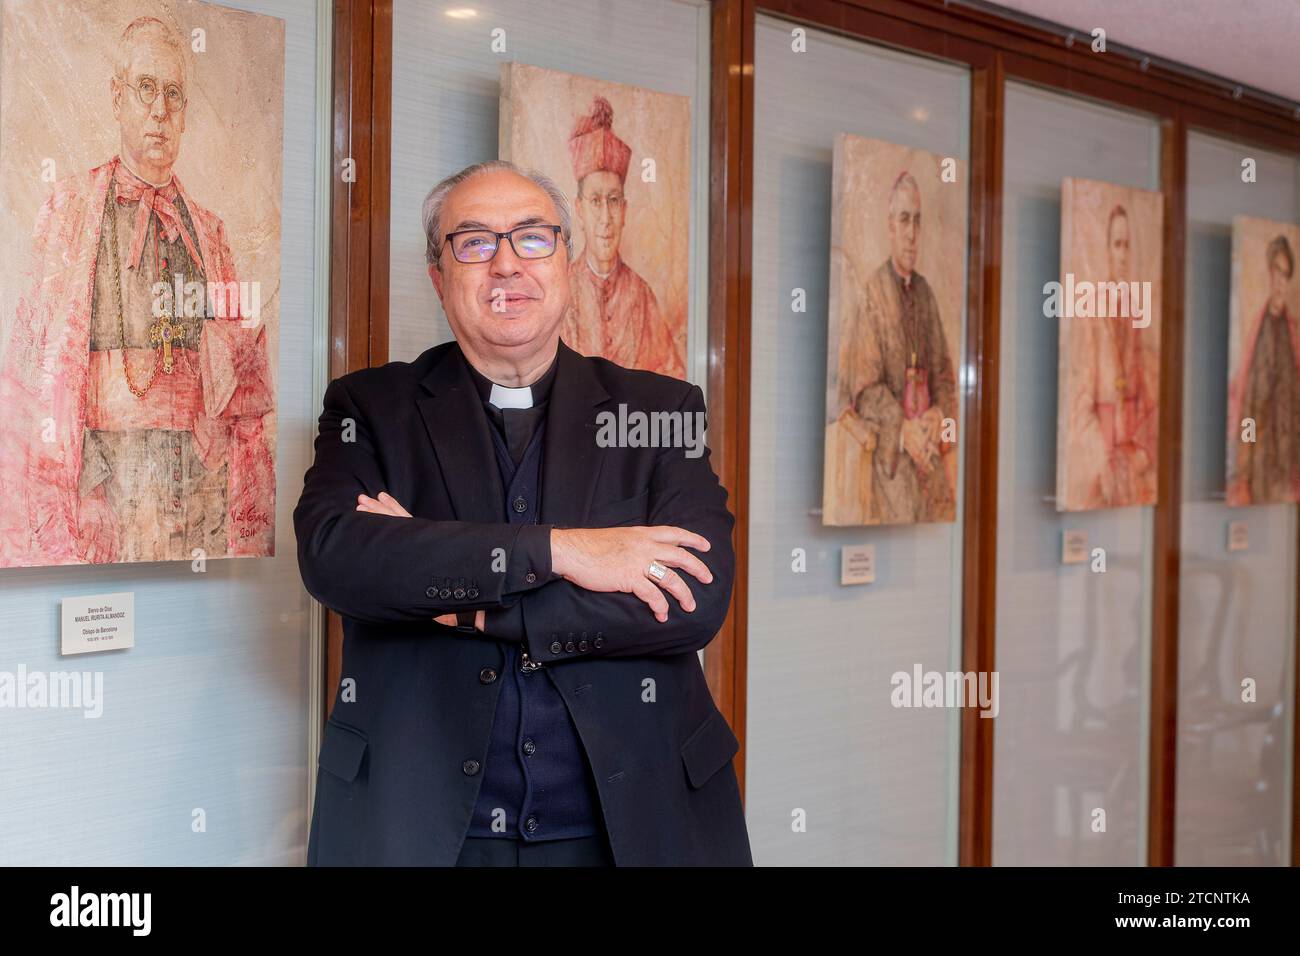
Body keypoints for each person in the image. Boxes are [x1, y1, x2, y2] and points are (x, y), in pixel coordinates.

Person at [294, 159, 751, 866]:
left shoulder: (657, 411)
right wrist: (566, 552)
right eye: (473, 242)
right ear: (438, 276)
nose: (506, 264)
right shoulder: (370, 410)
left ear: (565, 260)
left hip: (629, 827)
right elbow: (338, 559)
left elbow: (694, 601)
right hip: (426, 831)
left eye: (532, 238)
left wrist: (474, 601)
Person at [0, 15, 273, 566]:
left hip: (196, 491)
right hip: (101, 482)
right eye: (146, 88)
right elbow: (32, 372)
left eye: (174, 94)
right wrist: (86, 483)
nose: (160, 110)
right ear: (117, 97)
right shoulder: (69, 211)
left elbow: (245, 391)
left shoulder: (211, 233)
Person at [833, 171, 958, 524]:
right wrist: (904, 429)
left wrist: (936, 415)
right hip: (892, 456)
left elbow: (947, 376)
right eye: (904, 220)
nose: (911, 232)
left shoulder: (926, 294)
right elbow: (864, 388)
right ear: (890, 226)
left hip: (930, 450)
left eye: (917, 222)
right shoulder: (874, 292)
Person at [562, 95, 685, 379]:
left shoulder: (641, 295)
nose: (606, 218)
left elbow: (672, 380)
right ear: (579, 210)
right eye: (595, 201)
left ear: (625, 210)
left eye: (614, 200)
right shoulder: (560, 288)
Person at [1061, 203, 1158, 510]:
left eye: (1128, 245)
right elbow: (1080, 400)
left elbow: (1148, 397)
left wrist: (1141, 452)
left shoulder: (1135, 312)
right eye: (1117, 244)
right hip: (1100, 458)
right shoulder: (1092, 312)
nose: (1123, 254)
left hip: (1131, 461)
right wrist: (1102, 458)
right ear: (1106, 250)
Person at [1228, 233, 1300, 505]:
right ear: (1270, 275)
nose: (1281, 281)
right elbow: (1249, 405)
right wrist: (1246, 462)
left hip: (1288, 458)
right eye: (1277, 272)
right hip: (1262, 458)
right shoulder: (1258, 334)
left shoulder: (1293, 333)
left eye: (1286, 274)